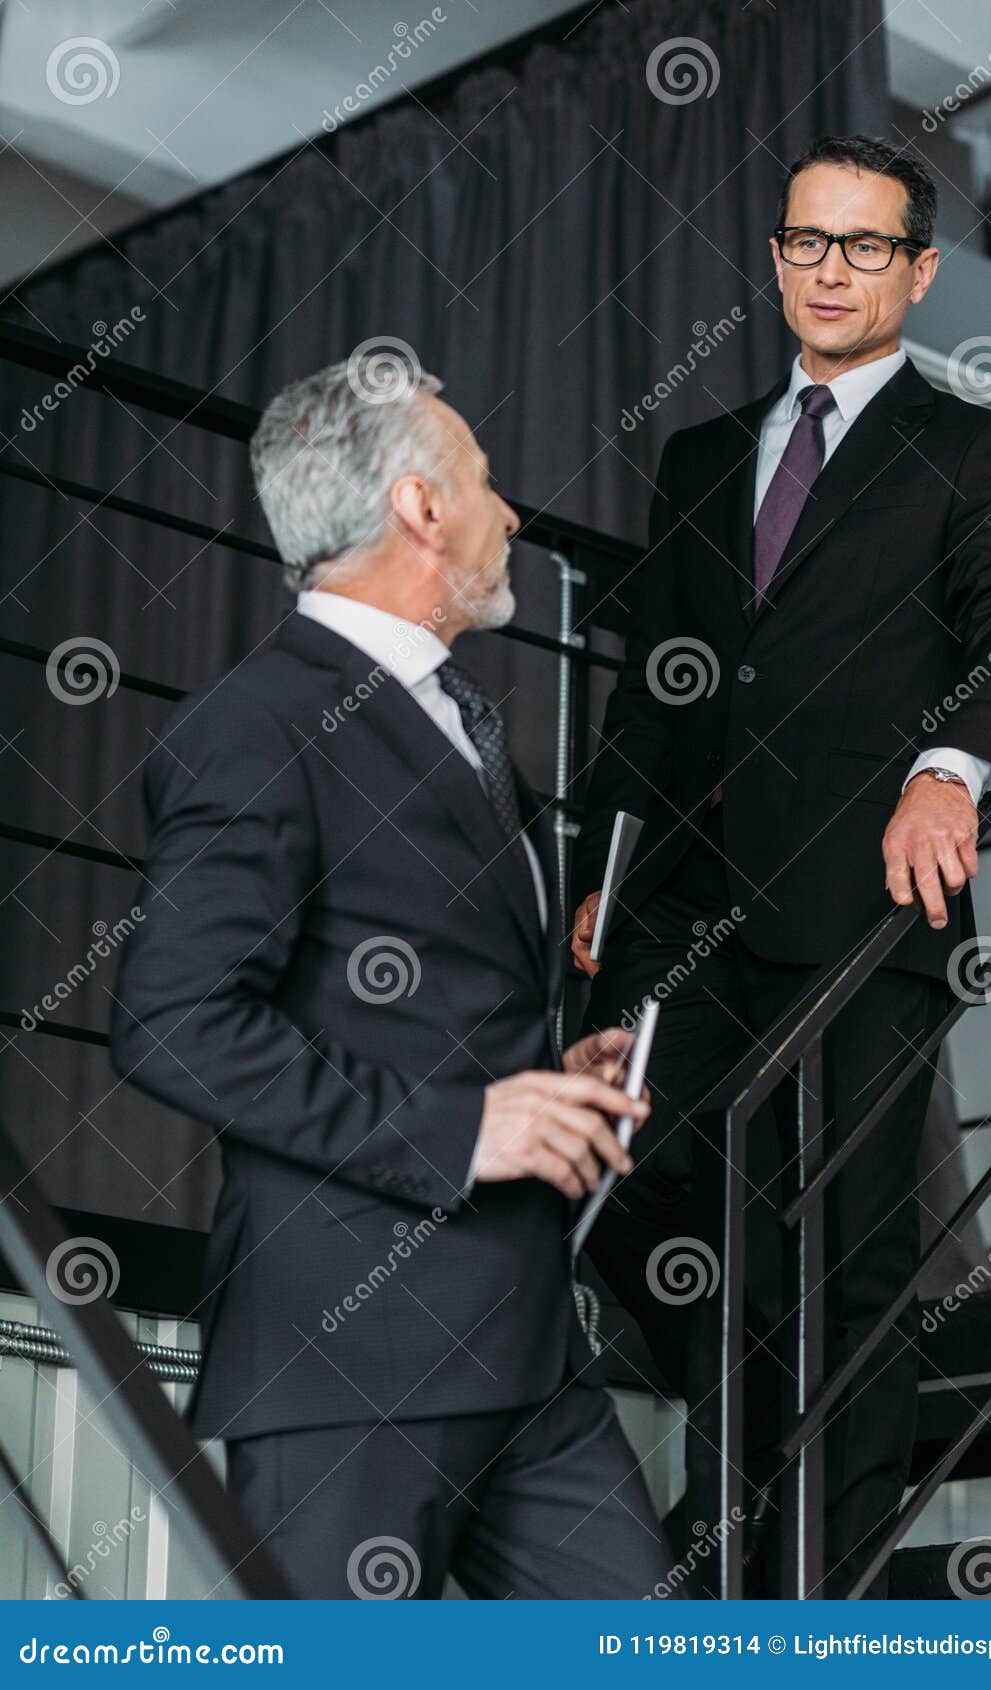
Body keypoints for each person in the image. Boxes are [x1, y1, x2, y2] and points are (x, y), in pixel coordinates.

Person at [569, 134, 991, 1598]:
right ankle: (731, 1535)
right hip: (688, 906)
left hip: (868, 898)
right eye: (805, 242)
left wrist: (944, 769)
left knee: (846, 1261)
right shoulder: (704, 453)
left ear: (916, 268)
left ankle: (815, 1580)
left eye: (864, 246)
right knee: (662, 1215)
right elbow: (655, 682)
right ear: (776, 255)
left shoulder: (974, 445)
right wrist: (613, 847)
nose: (829, 270)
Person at [109, 354, 686, 1600]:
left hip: (529, 1351)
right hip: (350, 1367)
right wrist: (469, 1126)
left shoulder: (458, 719)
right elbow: (171, 1020)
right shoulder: (253, 725)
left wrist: (545, 1077)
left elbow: (423, 1000)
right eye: (483, 481)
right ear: (422, 507)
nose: (512, 512)